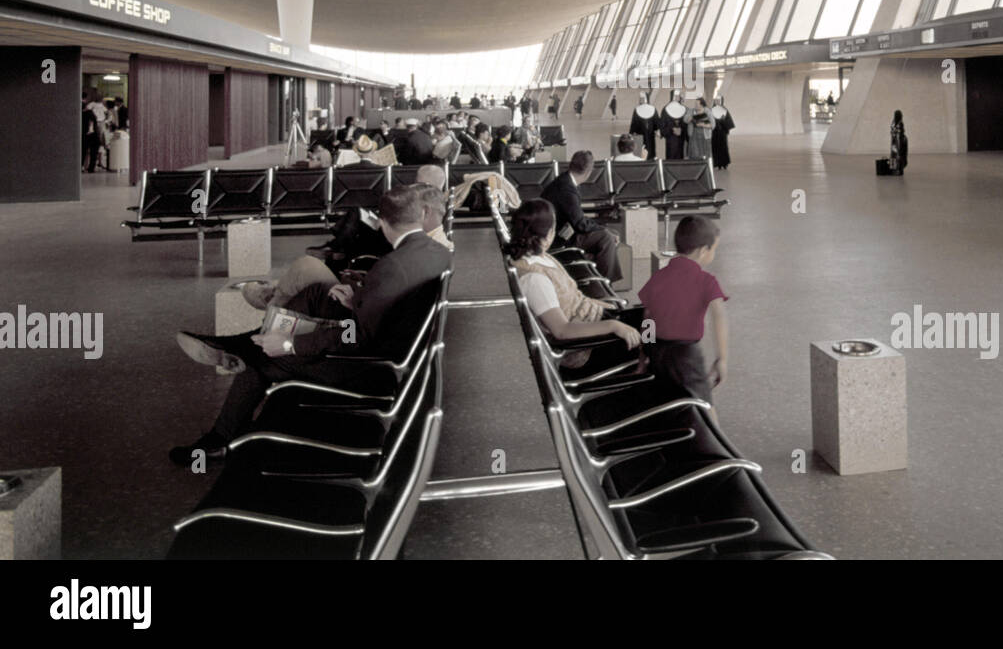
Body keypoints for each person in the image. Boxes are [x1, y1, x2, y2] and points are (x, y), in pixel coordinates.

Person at [170, 186, 450, 463]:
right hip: (393, 343)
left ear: (382, 222)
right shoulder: (436, 251)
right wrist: (359, 299)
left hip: (369, 366)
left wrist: (291, 344)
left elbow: (355, 339)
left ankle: (221, 437)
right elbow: (390, 309)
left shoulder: (393, 265)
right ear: (417, 216)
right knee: (317, 292)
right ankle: (248, 340)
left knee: (261, 359)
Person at [507, 200, 640, 367]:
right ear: (548, 234)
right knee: (655, 332)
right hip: (587, 348)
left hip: (595, 321)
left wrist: (603, 308)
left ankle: (648, 356)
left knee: (651, 318)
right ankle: (646, 365)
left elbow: (573, 299)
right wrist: (613, 325)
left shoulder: (539, 257)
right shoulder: (534, 279)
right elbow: (562, 331)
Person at [637, 215, 728, 410]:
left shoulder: (659, 276)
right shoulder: (706, 280)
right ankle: (714, 438)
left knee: (666, 401)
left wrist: (644, 353)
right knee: (704, 404)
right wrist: (721, 358)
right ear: (704, 251)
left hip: (658, 352)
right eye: (714, 249)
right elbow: (718, 317)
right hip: (686, 355)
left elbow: (647, 316)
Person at [541, 151, 623, 284]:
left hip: (555, 232)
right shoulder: (567, 189)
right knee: (606, 238)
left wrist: (600, 228)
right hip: (558, 240)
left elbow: (577, 218)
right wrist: (603, 230)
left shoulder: (563, 181)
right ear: (589, 172)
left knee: (604, 236)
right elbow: (580, 224)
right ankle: (605, 285)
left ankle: (598, 279)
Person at [630, 94, 658, 160]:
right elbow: (656, 122)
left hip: (642, 135)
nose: (640, 100)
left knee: (644, 150)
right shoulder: (653, 109)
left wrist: (631, 132)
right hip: (647, 135)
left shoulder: (636, 109)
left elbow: (633, 124)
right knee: (647, 150)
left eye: (641, 98)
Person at [710, 99, 734, 169]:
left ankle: (724, 163)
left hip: (722, 133)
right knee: (715, 148)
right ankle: (717, 163)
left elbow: (728, 122)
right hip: (714, 133)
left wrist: (723, 121)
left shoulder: (724, 110)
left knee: (723, 148)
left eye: (718, 101)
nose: (717, 102)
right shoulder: (711, 110)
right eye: (716, 101)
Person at [81, 96, 101, 173]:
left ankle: (81, 166)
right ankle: (91, 168)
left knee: (83, 152)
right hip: (94, 135)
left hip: (84, 135)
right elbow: (95, 124)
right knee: (93, 153)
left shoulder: (81, 115)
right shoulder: (91, 113)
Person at [890, 109, 908, 174]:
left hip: (894, 141)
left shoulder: (893, 122)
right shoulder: (900, 123)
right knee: (900, 154)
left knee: (894, 154)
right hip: (900, 141)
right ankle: (899, 169)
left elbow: (892, 132)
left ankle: (893, 168)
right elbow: (901, 132)